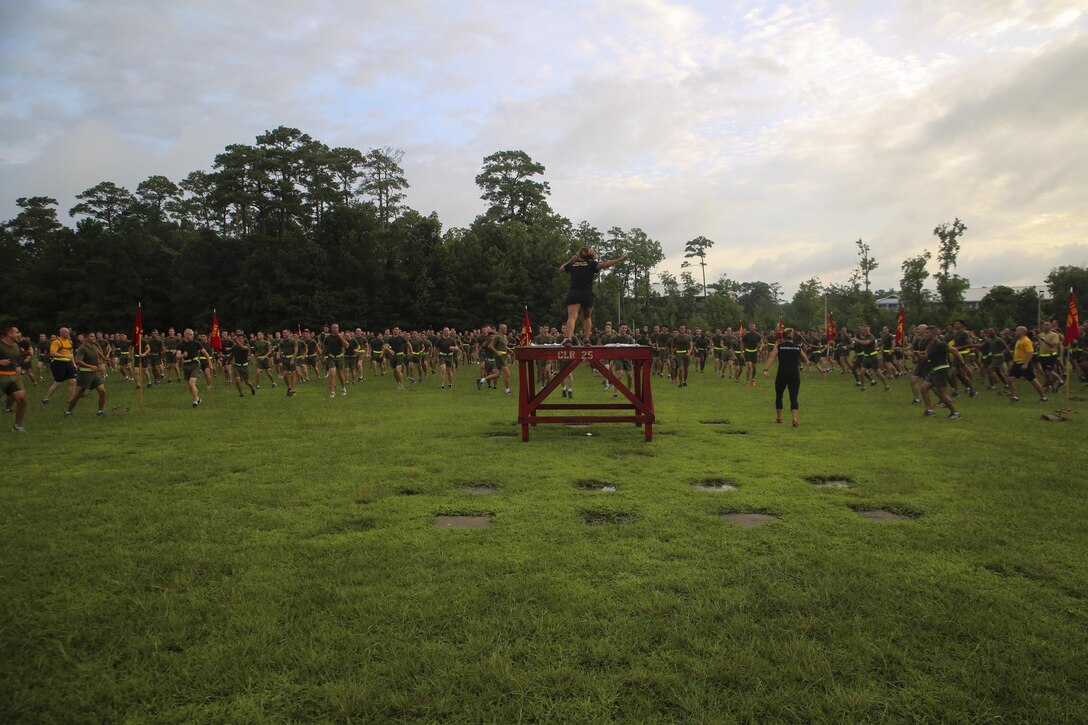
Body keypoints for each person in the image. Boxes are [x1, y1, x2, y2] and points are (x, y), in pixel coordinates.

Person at [558, 247, 628, 345]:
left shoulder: (573, 264)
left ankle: (568, 339)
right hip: (587, 293)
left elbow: (561, 269)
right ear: (591, 255)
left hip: (574, 293)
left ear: (580, 255)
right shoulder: (591, 264)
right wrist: (619, 259)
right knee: (587, 317)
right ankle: (586, 340)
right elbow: (604, 264)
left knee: (572, 317)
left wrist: (570, 260)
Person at [763, 328, 809, 426]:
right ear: (793, 337)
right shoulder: (797, 347)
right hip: (794, 374)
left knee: (779, 395)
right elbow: (805, 358)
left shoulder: (779, 346)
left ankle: (779, 418)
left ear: (783, 336)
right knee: (794, 397)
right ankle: (794, 419)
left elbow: (771, 356)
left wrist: (766, 369)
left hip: (782, 374)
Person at [920, 325, 963, 419]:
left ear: (934, 334)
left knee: (942, 393)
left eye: (927, 333)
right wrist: (916, 355)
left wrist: (962, 363)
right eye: (925, 333)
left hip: (941, 369)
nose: (925, 334)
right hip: (934, 369)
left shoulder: (940, 343)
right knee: (924, 388)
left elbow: (954, 350)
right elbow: (927, 358)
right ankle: (930, 411)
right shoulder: (929, 345)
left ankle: (955, 413)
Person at [66, 332, 107, 417]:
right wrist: (90, 366)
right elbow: (77, 361)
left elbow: (98, 355)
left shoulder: (95, 345)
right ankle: (69, 412)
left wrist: (99, 363)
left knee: (102, 391)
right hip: (84, 374)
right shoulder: (82, 349)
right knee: (78, 394)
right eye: (91, 336)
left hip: (94, 373)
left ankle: (100, 412)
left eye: (94, 336)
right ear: (86, 338)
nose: (94, 338)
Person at [1008, 325, 1048, 403]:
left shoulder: (1026, 341)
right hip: (1017, 363)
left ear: (1023, 332)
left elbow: (1030, 353)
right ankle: (1014, 397)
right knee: (1010, 379)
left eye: (1017, 331)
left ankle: (1043, 398)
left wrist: (1026, 363)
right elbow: (1017, 353)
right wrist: (1013, 362)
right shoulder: (1019, 340)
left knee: (1033, 380)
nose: (1015, 332)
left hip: (1024, 363)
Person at [1, 324, 30, 432]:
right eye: (17, 332)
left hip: (13, 376)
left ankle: (17, 426)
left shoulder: (15, 345)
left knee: (22, 400)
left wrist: (24, 357)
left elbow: (14, 358)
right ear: (9, 333)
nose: (19, 334)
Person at [478, 323, 512, 394]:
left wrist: (508, 350)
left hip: (503, 356)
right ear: (500, 329)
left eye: (506, 328)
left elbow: (502, 346)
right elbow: (490, 346)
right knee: (507, 374)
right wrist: (496, 352)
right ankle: (507, 390)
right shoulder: (497, 337)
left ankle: (482, 380)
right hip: (500, 357)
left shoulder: (504, 336)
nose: (506, 329)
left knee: (498, 374)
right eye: (504, 328)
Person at [176, 328, 205, 407]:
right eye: (191, 334)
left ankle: (195, 401)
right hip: (186, 365)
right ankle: (198, 399)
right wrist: (182, 355)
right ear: (185, 335)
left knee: (191, 383)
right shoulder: (180, 344)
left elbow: (205, 353)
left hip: (195, 364)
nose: (193, 336)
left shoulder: (196, 343)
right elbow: (177, 356)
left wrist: (211, 365)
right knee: (190, 386)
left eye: (193, 334)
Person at [323, 323, 349, 397]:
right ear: (331, 329)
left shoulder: (341, 336)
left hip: (340, 357)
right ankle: (332, 391)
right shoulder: (328, 338)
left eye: (337, 328)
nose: (336, 329)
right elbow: (324, 348)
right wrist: (322, 356)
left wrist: (341, 338)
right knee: (332, 373)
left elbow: (347, 345)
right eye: (334, 328)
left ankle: (343, 388)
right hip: (331, 357)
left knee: (340, 374)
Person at [230, 332, 257, 397]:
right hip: (236, 366)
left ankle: (252, 388)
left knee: (247, 382)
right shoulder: (234, 347)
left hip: (245, 366)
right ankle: (241, 393)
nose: (240, 339)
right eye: (239, 338)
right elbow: (232, 354)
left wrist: (236, 341)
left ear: (244, 339)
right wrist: (228, 362)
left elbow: (243, 348)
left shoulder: (246, 345)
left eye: (242, 338)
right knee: (237, 380)